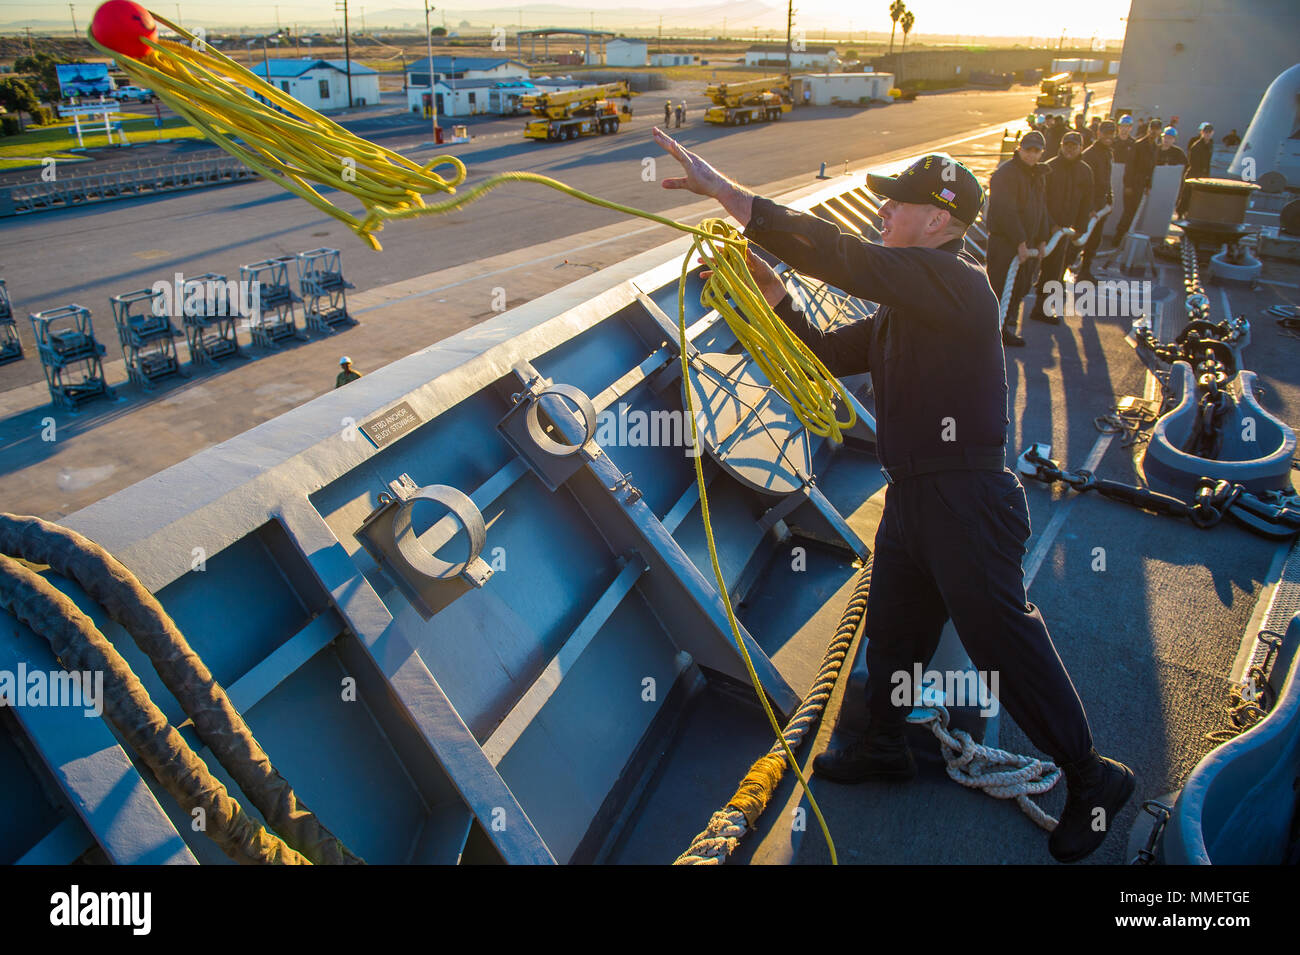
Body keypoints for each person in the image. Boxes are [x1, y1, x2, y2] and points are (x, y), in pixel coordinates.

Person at [650, 125, 1136, 864]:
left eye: (895, 204)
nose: (880, 213)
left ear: (937, 220)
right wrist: (772, 291)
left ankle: (1091, 775)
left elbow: (846, 258)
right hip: (914, 498)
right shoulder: (906, 308)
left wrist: (730, 194)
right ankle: (884, 743)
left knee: (1001, 637)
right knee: (895, 633)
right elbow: (822, 354)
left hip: (966, 497)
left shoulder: (957, 284)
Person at [987, 130, 1050, 346]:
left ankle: (1004, 328)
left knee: (1019, 287)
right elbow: (1006, 211)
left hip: (1028, 241)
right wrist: (1020, 242)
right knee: (1000, 287)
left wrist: (1042, 238)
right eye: (1028, 149)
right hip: (1005, 242)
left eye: (1036, 150)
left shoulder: (1037, 175)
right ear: (1019, 149)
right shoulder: (1006, 174)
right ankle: (990, 333)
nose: (1031, 155)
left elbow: (1041, 208)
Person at [1027, 131, 1093, 325]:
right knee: (1027, 269)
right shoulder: (1049, 168)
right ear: (1061, 145)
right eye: (1067, 145)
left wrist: (1081, 227)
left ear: (1081, 148)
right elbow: (1039, 200)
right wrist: (1050, 225)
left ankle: (1042, 309)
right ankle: (1007, 312)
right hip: (1042, 228)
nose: (1070, 149)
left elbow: (1086, 202)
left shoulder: (1085, 171)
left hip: (1064, 232)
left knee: (1054, 271)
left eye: (1074, 146)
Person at [1076, 120, 1116, 282]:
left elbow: (1106, 179)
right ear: (1098, 133)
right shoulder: (1090, 154)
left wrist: (1109, 198)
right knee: (1077, 241)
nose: (1108, 136)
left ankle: (1084, 271)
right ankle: (1059, 275)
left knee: (1094, 241)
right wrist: (1090, 207)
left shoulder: (1107, 153)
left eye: (1111, 133)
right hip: (1089, 207)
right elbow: (1084, 184)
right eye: (1105, 133)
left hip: (1101, 206)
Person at [1111, 119, 1161, 244]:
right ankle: (1118, 237)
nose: (1153, 132)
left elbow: (1151, 168)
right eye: (1152, 129)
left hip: (1142, 184)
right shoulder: (1138, 145)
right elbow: (1130, 166)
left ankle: (1124, 238)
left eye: (1156, 130)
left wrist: (1149, 185)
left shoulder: (1155, 147)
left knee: (1133, 213)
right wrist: (1128, 185)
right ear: (1148, 130)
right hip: (1133, 183)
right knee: (1129, 212)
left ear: (1160, 131)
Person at [1176, 122, 1213, 216]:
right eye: (1206, 132)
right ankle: (1180, 213)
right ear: (1202, 132)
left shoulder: (1209, 145)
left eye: (1209, 132)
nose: (1207, 134)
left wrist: (1207, 175)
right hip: (1193, 173)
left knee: (1197, 196)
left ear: (1212, 133)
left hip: (1202, 174)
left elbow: (1208, 162)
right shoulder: (1196, 146)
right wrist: (1199, 175)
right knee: (1187, 195)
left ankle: (1190, 213)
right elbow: (1193, 163)